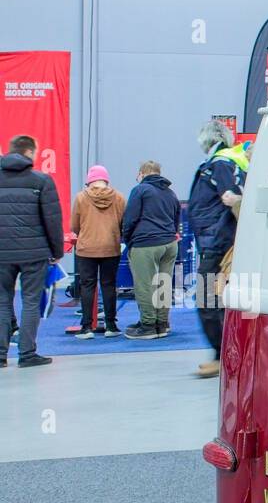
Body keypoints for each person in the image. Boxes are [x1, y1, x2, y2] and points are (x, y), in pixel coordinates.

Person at [188, 120, 246, 377]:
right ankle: (224, 354)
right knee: (219, 300)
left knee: (206, 297)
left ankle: (223, 354)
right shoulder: (228, 161)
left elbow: (230, 197)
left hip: (217, 241)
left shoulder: (220, 163)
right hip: (218, 240)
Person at [0, 134, 63, 368]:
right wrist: (57, 251)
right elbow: (53, 220)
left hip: (2, 254)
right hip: (34, 254)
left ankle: (0, 355)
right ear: (29, 152)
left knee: (2, 302)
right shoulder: (42, 181)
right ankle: (27, 354)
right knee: (30, 301)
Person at [121, 160, 181, 339]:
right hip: (170, 243)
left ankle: (148, 325)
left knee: (145, 285)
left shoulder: (140, 190)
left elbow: (130, 218)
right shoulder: (171, 192)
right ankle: (162, 324)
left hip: (145, 243)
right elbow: (176, 218)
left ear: (142, 173)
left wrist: (127, 239)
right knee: (163, 283)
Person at [68, 165, 125, 339]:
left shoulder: (80, 198)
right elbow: (124, 224)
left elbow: (74, 226)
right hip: (111, 248)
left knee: (87, 286)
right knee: (109, 285)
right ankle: (111, 326)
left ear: (89, 181)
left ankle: (86, 328)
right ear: (106, 180)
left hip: (86, 249)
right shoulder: (119, 198)